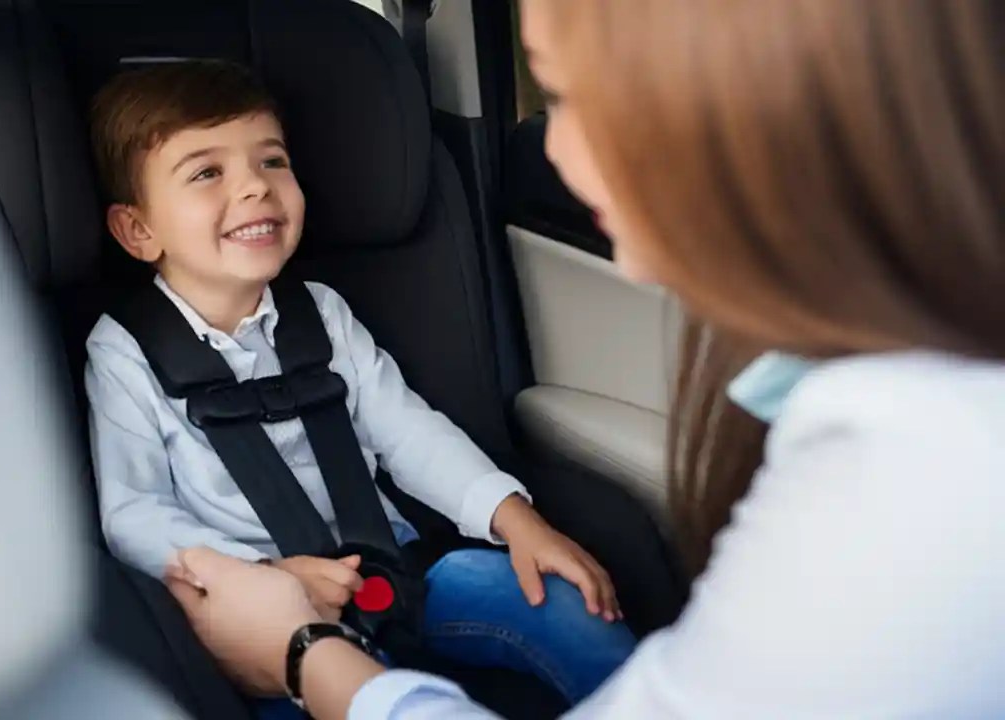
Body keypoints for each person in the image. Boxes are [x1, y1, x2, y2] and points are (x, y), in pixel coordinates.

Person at [162, 0, 1005, 717]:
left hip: (387, 573)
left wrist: (311, 654)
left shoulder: (917, 485)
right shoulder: (888, 409)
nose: (553, 153)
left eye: (569, 98)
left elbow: (406, 428)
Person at [82, 60, 640, 718]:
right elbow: (134, 513)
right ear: (138, 230)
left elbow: (406, 431)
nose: (256, 189)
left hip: (396, 569)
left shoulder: (321, 312)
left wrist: (518, 522)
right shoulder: (122, 351)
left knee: (569, 610)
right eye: (208, 172)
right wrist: (258, 579)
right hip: (268, 621)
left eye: (272, 162)